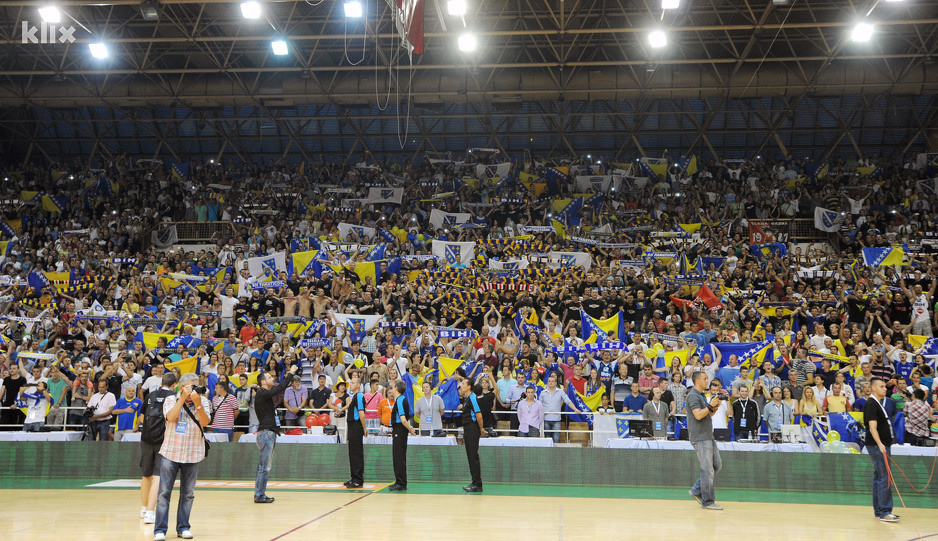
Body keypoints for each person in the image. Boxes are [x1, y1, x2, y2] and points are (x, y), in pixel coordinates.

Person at [154, 372, 211, 541]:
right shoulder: (171, 399)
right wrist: (182, 398)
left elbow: (206, 423)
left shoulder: (203, 401)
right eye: (191, 386)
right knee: (164, 493)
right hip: (171, 452)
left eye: (197, 386)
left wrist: (198, 404)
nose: (195, 390)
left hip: (193, 453)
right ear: (181, 386)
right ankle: (160, 530)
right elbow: (171, 417)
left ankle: (183, 527)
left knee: (188, 494)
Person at [252, 364, 299, 503]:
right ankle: (259, 495)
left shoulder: (264, 395)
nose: (272, 378)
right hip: (266, 433)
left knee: (263, 467)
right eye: (269, 377)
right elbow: (280, 388)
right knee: (264, 467)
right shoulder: (261, 392)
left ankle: (259, 494)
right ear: (263, 382)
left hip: (268, 433)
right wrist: (290, 373)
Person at [139, 372, 177, 525]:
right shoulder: (173, 396)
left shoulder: (150, 395)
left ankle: (143, 508)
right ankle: (150, 512)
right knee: (157, 476)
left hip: (146, 439)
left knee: (146, 474)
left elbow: (142, 417)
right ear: (174, 384)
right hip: (163, 440)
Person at [686, 371, 724, 511]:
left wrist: (714, 407)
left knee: (717, 465)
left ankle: (697, 490)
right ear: (697, 381)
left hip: (708, 435)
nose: (707, 380)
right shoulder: (693, 396)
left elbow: (707, 414)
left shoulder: (701, 395)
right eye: (705, 378)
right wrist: (709, 406)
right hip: (700, 437)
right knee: (707, 470)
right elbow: (698, 415)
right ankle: (708, 501)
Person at [864, 377, 899, 522]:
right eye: (882, 386)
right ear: (873, 388)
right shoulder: (871, 404)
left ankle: (879, 510)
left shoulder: (876, 403)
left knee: (879, 477)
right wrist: (880, 444)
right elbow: (872, 428)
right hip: (878, 446)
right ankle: (885, 511)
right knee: (885, 477)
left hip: (881, 445)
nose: (885, 389)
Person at [388, 380, 416, 491]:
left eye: (393, 387)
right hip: (401, 430)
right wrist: (410, 428)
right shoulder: (402, 400)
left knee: (398, 456)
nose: (392, 389)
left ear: (396, 388)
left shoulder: (400, 400)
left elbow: (403, 419)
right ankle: (399, 481)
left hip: (399, 430)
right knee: (399, 456)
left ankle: (401, 482)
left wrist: (409, 428)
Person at [343, 376, 368, 488]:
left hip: (356, 427)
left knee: (357, 454)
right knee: (352, 453)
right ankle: (354, 477)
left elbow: (361, 414)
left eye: (352, 383)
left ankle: (358, 480)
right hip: (352, 427)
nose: (350, 384)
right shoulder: (354, 396)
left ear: (358, 385)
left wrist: (364, 428)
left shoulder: (359, 396)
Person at [460, 380, 485, 492]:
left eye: (464, 383)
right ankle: (474, 482)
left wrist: (481, 429)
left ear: (469, 386)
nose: (461, 385)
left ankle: (477, 484)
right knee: (470, 456)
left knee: (473, 456)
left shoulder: (473, 397)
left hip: (472, 429)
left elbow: (478, 415)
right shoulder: (467, 399)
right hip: (468, 429)